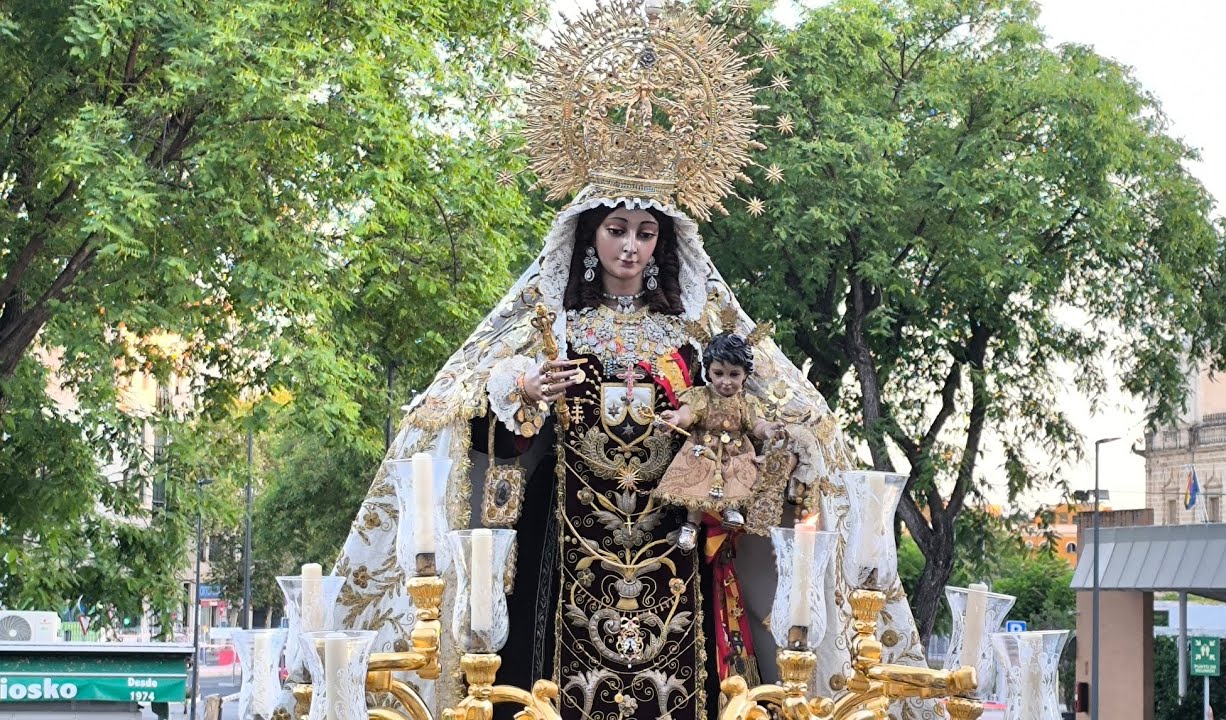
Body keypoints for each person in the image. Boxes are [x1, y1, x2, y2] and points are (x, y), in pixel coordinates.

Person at [328, 3, 942, 720]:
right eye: (617, 229)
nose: (630, 246)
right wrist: (523, 385)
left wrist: (764, 436)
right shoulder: (548, 328)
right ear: (590, 237)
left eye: (645, 233)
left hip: (674, 558)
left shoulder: (695, 335)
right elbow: (457, 411)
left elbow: (783, 412)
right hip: (565, 562)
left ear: (663, 244)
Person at [653, 331, 783, 551]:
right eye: (719, 373)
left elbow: (756, 425)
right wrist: (676, 418)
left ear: (745, 376)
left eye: (734, 374)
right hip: (703, 448)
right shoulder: (701, 396)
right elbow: (688, 414)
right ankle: (691, 524)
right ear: (708, 372)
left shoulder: (747, 401)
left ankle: (731, 509)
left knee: (735, 473)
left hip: (736, 450)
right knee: (698, 482)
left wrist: (768, 429)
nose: (725, 381)